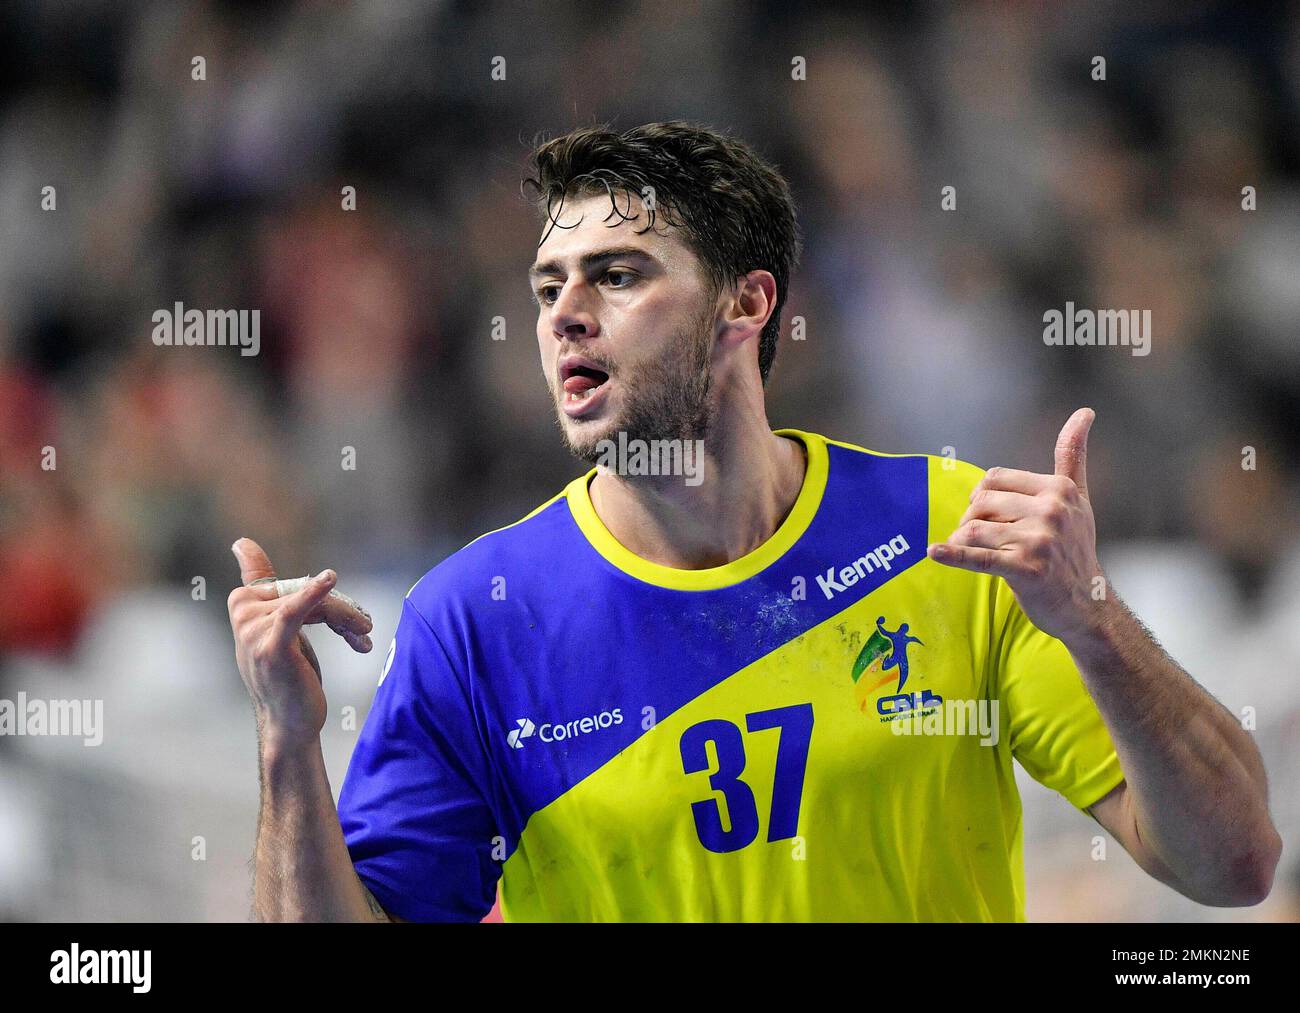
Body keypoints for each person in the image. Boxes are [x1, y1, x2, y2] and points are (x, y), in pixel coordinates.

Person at [226, 121, 1281, 921]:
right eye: (549, 284)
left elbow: (1233, 865)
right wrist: (287, 740)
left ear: (745, 304)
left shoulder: (950, 529)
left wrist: (1090, 619)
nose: (562, 313)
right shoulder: (475, 618)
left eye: (618, 274)